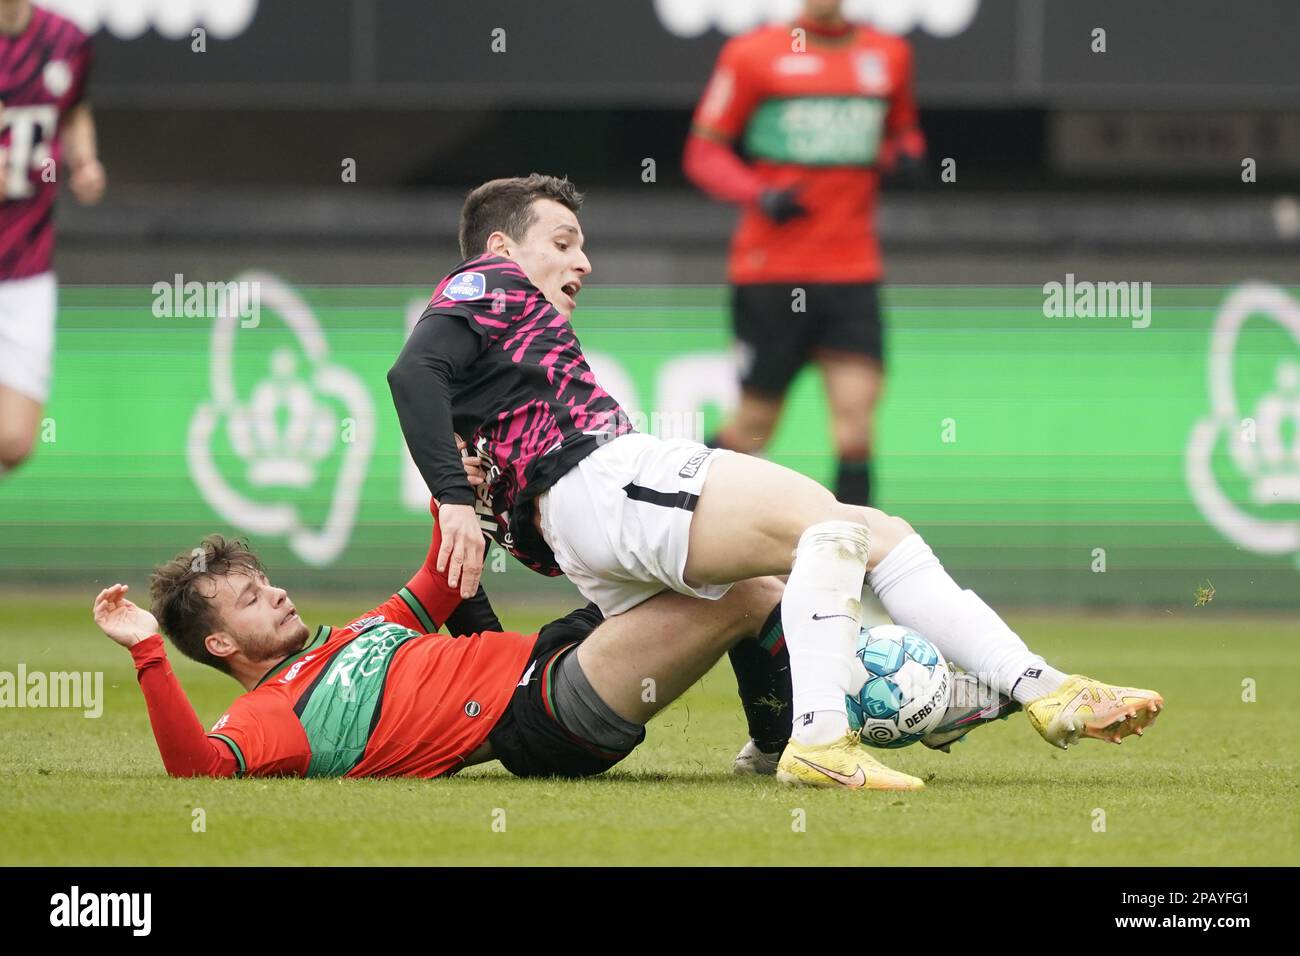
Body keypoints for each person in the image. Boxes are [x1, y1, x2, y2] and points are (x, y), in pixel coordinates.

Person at [389, 174, 1164, 792]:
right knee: (830, 529)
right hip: (600, 481)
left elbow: (467, 534)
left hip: (587, 535)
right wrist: (455, 504)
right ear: (498, 244)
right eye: (563, 243)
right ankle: (826, 739)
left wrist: (468, 535)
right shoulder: (484, 279)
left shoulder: (479, 405)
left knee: (809, 564)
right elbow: (411, 368)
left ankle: (1022, 691)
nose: (583, 262)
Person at [91, 495, 793, 781]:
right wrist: (147, 651)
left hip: (553, 651)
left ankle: (803, 726)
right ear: (220, 646)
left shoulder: (359, 630)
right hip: (539, 713)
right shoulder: (268, 714)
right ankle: (783, 747)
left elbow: (443, 579)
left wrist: (448, 484)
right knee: (746, 592)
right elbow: (198, 770)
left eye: (264, 581)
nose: (275, 592)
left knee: (718, 563)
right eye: (250, 598)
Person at [684, 0, 925, 506]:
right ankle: (670, 516)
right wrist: (758, 193)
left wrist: (904, 154)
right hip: (770, 275)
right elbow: (703, 153)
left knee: (856, 424)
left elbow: (903, 132)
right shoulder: (753, 54)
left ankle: (848, 565)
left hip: (852, 271)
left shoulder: (888, 56)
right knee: (755, 427)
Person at [0, 0, 106, 477]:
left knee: (17, 440)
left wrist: (84, 160)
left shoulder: (67, 40)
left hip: (27, 264)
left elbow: (75, 110)